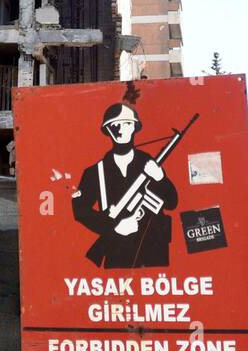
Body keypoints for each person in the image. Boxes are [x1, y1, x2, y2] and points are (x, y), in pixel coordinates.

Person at [71, 102, 178, 268]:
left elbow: (172, 203)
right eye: (115, 125)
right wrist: (115, 227)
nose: (121, 130)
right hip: (118, 252)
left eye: (127, 124)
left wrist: (160, 178)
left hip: (154, 252)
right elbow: (80, 210)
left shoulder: (149, 163)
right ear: (108, 130)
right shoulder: (95, 172)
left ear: (135, 127)